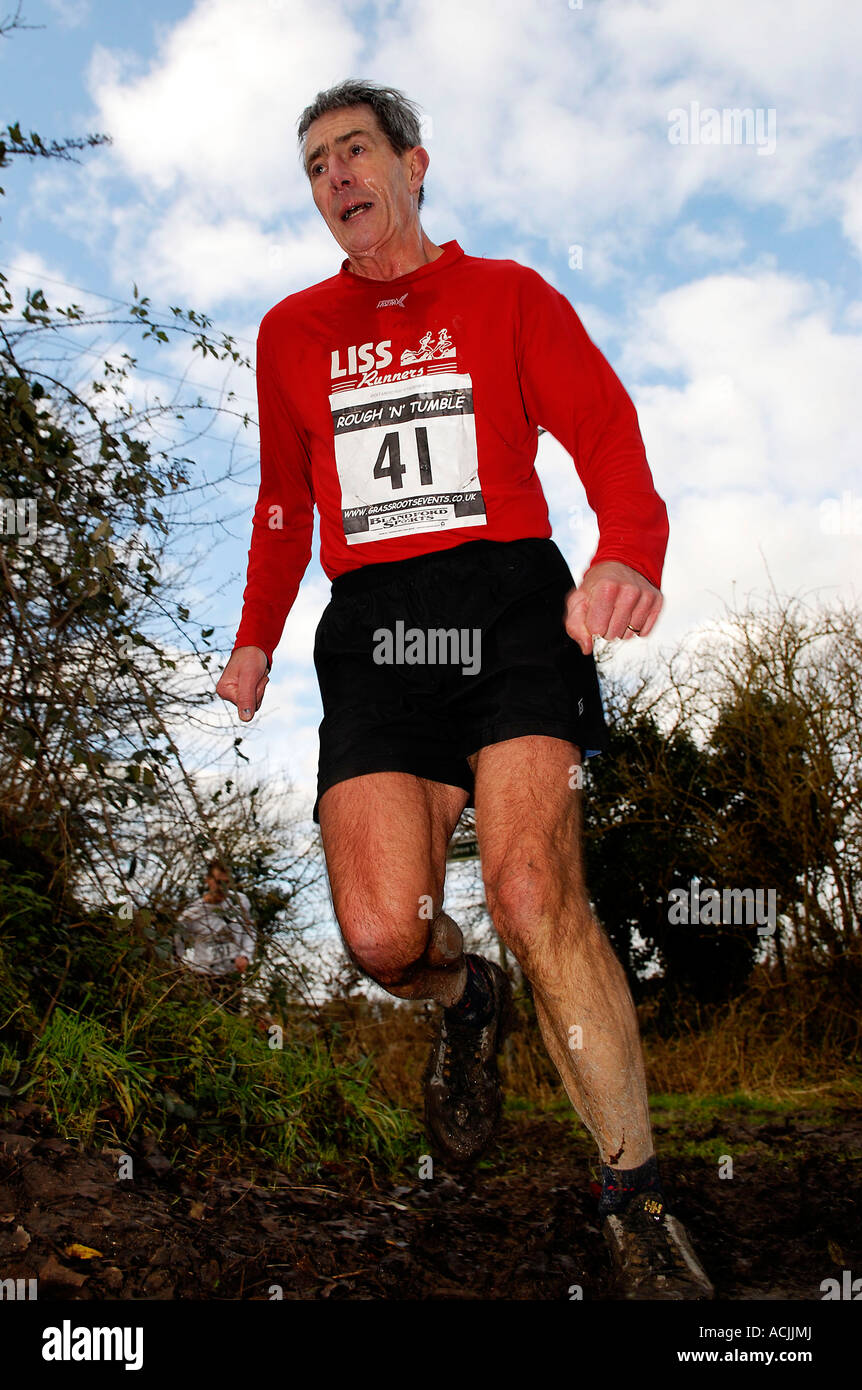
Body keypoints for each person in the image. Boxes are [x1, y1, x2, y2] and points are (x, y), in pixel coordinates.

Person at [216, 79, 712, 1299]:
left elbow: (606, 432)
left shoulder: (509, 296)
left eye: (355, 152)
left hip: (504, 608)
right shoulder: (289, 333)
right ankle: (466, 993)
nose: (337, 177)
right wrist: (255, 638)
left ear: (414, 163)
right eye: (316, 164)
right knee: (384, 936)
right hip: (376, 630)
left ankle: (636, 1202)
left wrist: (628, 551)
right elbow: (287, 501)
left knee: (534, 886)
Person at [174, 860, 255, 1013]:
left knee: (231, 1023)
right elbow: (178, 938)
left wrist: (245, 955)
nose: (222, 888)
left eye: (226, 883)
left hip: (231, 976)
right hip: (204, 976)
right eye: (218, 882)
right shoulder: (194, 912)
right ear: (208, 881)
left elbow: (249, 931)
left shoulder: (239, 902)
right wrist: (179, 966)